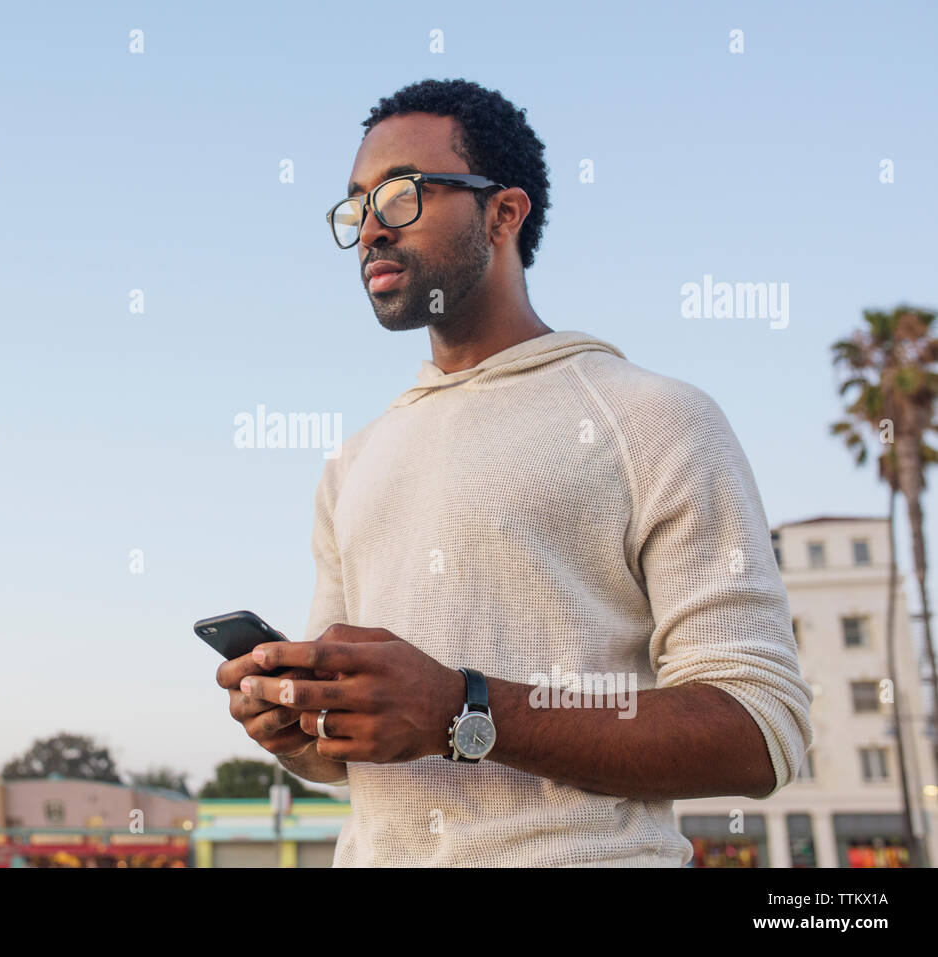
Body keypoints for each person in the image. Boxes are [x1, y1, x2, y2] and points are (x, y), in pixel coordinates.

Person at [216, 77, 813, 867]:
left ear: (503, 212)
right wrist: (298, 725)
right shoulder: (355, 460)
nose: (368, 231)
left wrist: (465, 710)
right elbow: (350, 754)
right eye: (356, 207)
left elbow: (759, 728)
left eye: (399, 196)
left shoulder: (652, 417)